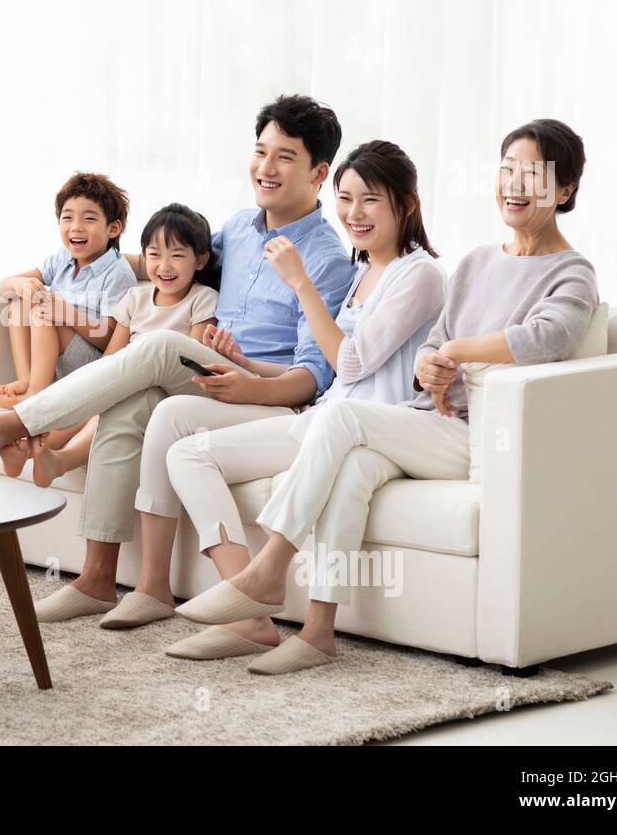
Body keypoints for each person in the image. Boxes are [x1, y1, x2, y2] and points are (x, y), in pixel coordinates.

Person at [178, 118, 600, 676]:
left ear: (564, 191)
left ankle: (268, 569)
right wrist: (434, 362)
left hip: (478, 437)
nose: (514, 184)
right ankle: (318, 633)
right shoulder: (475, 263)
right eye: (506, 170)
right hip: (427, 417)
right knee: (352, 467)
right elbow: (432, 342)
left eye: (533, 175)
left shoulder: (573, 272)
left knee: (345, 419)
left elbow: (547, 337)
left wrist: (457, 351)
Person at [0, 95, 357, 623]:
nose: (265, 168)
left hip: (263, 396)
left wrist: (251, 387)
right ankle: (105, 579)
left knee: (161, 347)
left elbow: (311, 377)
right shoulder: (239, 229)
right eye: (260, 151)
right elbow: (173, 257)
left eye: (284, 157)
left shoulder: (325, 257)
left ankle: (15, 423)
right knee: (135, 399)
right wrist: (64, 265)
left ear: (319, 172)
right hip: (205, 377)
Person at [129, 141, 445, 653]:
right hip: (327, 418)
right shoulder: (364, 271)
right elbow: (330, 366)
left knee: (187, 428)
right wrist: (248, 364)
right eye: (346, 198)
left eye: (370, 200)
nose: (353, 214)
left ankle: (256, 590)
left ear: (406, 204)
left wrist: (300, 284)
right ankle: (246, 608)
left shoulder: (420, 274)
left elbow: (351, 362)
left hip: (376, 429)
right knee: (187, 453)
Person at [18, 203, 221, 486]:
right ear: (143, 257)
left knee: (117, 403)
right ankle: (37, 444)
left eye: (176, 256)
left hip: (167, 388)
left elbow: (191, 359)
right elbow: (111, 359)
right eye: (154, 255)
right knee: (100, 395)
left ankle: (56, 457)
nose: (164, 266)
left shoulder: (203, 299)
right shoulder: (135, 298)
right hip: (127, 376)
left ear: (199, 261)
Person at [0, 172, 136, 412]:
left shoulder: (117, 272)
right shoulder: (62, 259)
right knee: (18, 300)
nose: (76, 227)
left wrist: (68, 314)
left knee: (44, 311)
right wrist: (19, 284)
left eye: (89, 219)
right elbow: (3, 287)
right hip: (54, 359)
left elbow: (111, 337)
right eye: (67, 218)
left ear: (113, 228)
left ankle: (37, 393)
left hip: (90, 365)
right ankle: (27, 380)